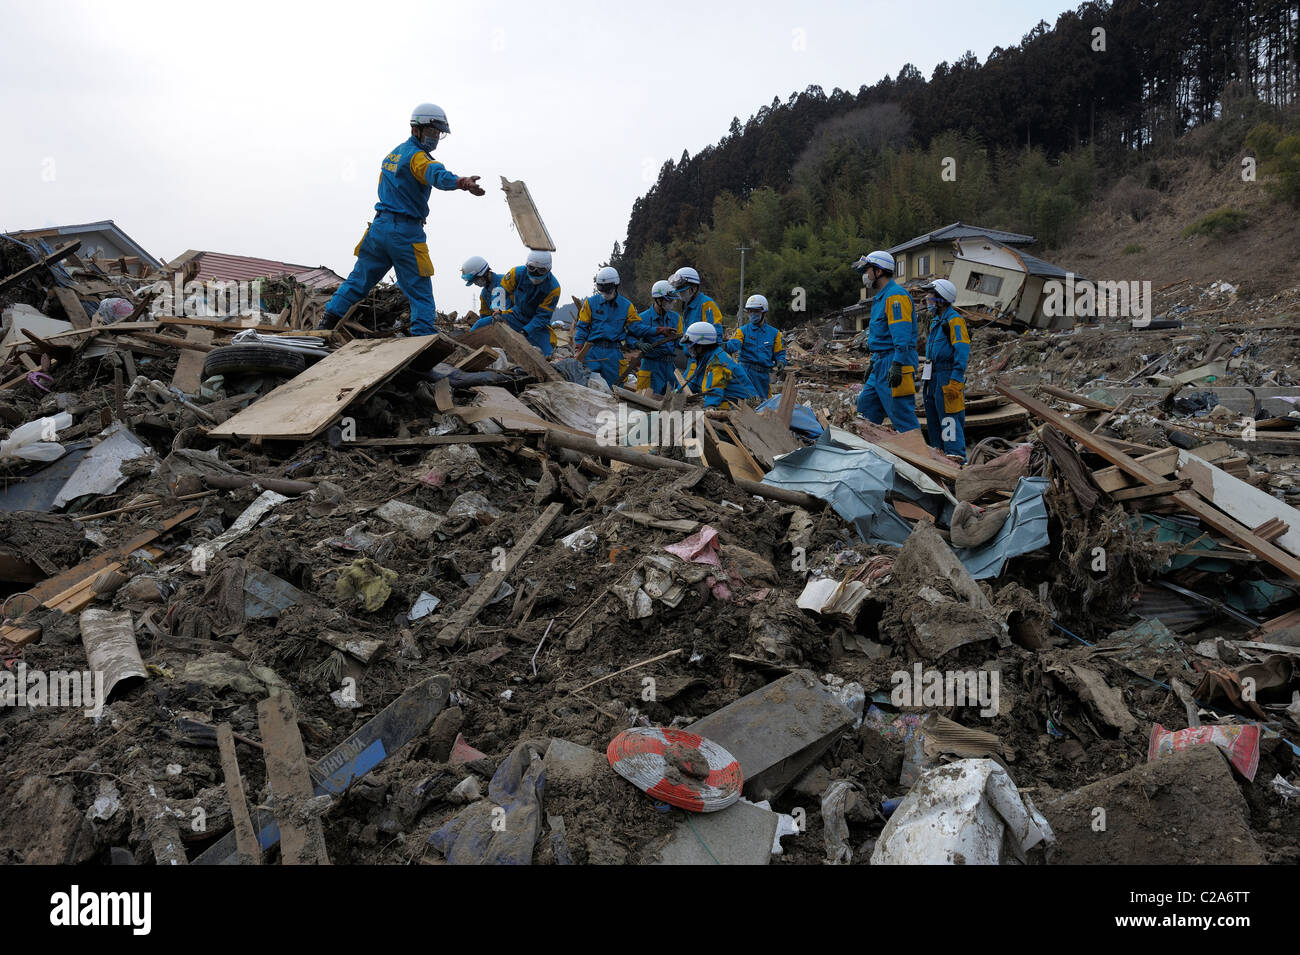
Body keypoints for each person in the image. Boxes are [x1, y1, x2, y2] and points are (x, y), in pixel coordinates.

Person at [319, 103, 485, 334]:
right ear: (416, 129)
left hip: (378, 229)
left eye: (438, 133)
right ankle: (421, 346)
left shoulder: (393, 155)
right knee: (420, 293)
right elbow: (435, 174)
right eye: (432, 132)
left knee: (357, 282)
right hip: (405, 232)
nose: (435, 137)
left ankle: (324, 326)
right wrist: (461, 182)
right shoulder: (418, 158)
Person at [853, 250, 920, 433]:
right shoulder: (881, 298)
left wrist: (897, 363)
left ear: (879, 271)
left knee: (901, 415)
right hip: (880, 363)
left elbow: (902, 336)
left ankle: (919, 457)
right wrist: (873, 363)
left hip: (895, 362)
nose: (865, 275)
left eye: (867, 270)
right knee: (865, 408)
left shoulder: (895, 296)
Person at [471, 250, 561, 356]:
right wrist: (497, 310)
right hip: (514, 316)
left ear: (549, 269)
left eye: (541, 271)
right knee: (480, 325)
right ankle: (460, 346)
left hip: (535, 326)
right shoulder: (516, 273)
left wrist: (525, 332)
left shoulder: (554, 288)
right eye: (532, 268)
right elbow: (501, 290)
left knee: (547, 353)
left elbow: (542, 317)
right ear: (527, 265)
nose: (535, 273)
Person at [921, 278, 971, 461]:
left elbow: (962, 350)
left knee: (949, 422)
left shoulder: (954, 321)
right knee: (934, 425)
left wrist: (956, 379)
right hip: (932, 378)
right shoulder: (936, 322)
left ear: (941, 298)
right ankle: (940, 462)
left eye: (930, 295)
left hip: (947, 377)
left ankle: (956, 462)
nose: (927, 299)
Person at [573, 266, 639, 387]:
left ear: (616, 285)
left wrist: (635, 343)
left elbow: (635, 329)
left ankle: (621, 407)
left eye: (607, 290)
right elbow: (582, 327)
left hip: (614, 353)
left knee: (618, 390)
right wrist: (578, 349)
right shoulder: (590, 303)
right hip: (592, 350)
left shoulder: (627, 306)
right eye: (601, 290)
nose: (605, 293)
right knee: (588, 387)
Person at [677, 321, 756, 409]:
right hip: (729, 401)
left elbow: (714, 392)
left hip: (744, 406)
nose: (688, 348)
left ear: (700, 346)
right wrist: (677, 393)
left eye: (690, 345)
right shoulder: (706, 358)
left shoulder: (718, 362)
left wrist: (707, 409)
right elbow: (694, 382)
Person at [626, 280, 682, 394]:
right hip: (651, 366)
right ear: (658, 299)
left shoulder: (676, 318)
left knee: (675, 402)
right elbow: (629, 337)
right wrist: (638, 344)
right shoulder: (642, 318)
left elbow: (680, 342)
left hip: (670, 367)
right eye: (669, 300)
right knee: (646, 403)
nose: (672, 303)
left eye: (673, 300)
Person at [728, 294, 786, 399]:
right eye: (750, 311)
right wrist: (726, 347)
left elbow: (779, 353)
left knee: (764, 404)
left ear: (764, 312)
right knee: (745, 401)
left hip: (763, 376)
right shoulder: (742, 331)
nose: (752, 314)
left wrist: (781, 361)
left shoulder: (775, 333)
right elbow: (735, 343)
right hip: (745, 372)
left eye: (756, 311)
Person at [670, 266, 725, 342]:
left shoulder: (707, 304)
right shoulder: (687, 305)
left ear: (694, 288)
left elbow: (715, 333)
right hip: (691, 351)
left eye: (683, 291)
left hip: (703, 352)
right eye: (678, 291)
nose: (680, 294)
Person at [460, 255, 506, 321]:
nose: (475, 283)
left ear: (484, 273)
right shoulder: (484, 294)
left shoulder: (504, 282)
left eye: (475, 280)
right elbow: (484, 316)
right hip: (500, 322)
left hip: (514, 322)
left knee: (479, 324)